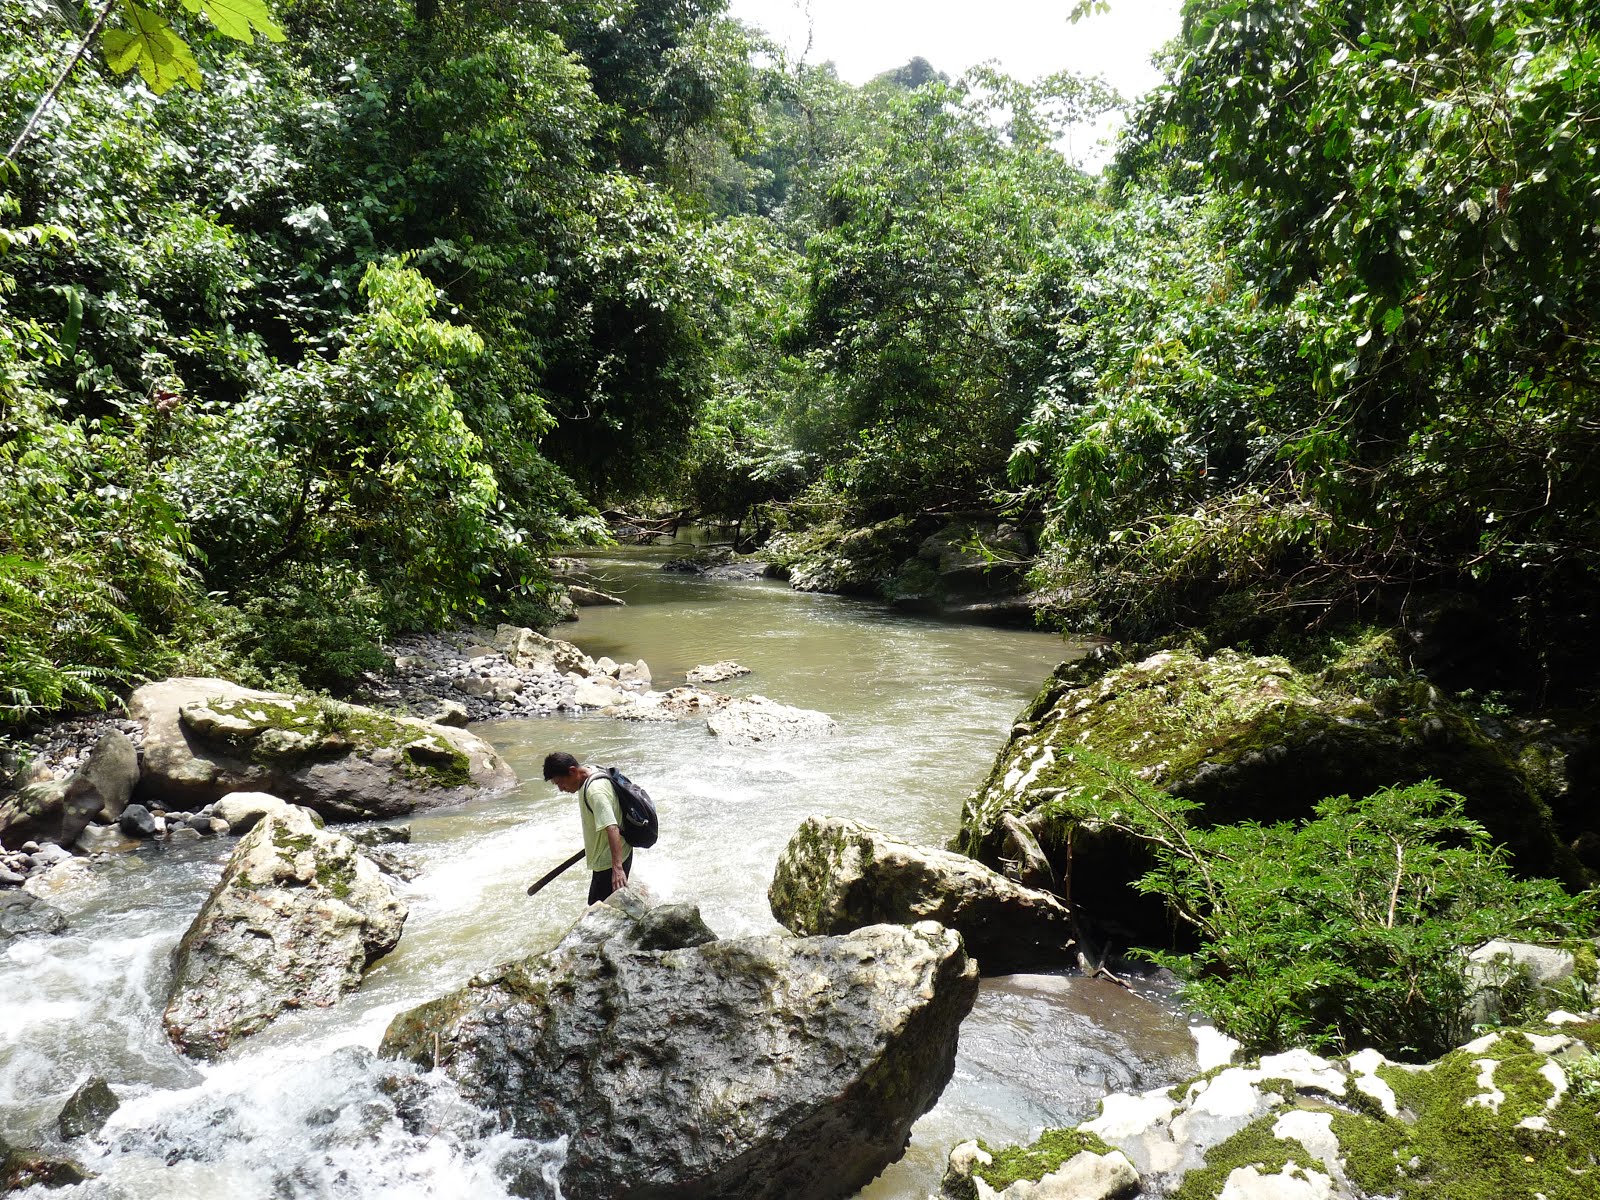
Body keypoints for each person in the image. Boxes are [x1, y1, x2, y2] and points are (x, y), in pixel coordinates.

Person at [543, 751, 632, 903]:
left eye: (560, 783)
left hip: (609, 863)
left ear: (572, 771)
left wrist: (617, 869)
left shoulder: (595, 791)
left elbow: (612, 827)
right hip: (614, 854)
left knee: (597, 916)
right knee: (608, 911)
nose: (561, 789)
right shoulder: (591, 770)